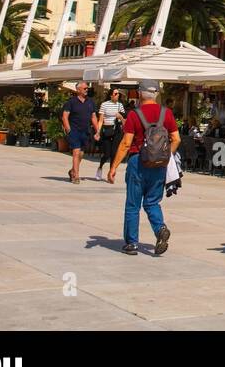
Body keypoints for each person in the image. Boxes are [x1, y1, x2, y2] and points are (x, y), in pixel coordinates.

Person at [108, 80, 178, 256]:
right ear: (156, 94)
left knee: (133, 204)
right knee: (152, 202)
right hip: (159, 164)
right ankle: (160, 228)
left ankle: (132, 243)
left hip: (137, 161)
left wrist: (113, 167)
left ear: (140, 93)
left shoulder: (134, 114)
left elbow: (126, 143)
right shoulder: (167, 113)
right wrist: (165, 155)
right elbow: (176, 139)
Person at [62, 81, 95, 184]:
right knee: (76, 152)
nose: (87, 90)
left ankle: (72, 171)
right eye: (85, 88)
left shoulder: (90, 102)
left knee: (81, 154)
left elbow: (93, 117)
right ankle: (76, 176)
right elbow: (65, 116)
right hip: (74, 131)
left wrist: (97, 130)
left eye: (87, 88)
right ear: (78, 90)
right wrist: (68, 129)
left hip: (86, 131)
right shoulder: (71, 102)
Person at [94, 88, 126, 181]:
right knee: (107, 154)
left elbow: (124, 121)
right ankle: (100, 166)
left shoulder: (120, 105)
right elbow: (101, 120)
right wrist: (98, 132)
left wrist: (121, 117)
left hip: (117, 131)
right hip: (107, 130)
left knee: (114, 154)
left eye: (118, 93)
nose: (118, 95)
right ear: (111, 95)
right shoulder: (104, 104)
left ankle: (111, 174)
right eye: (116, 93)